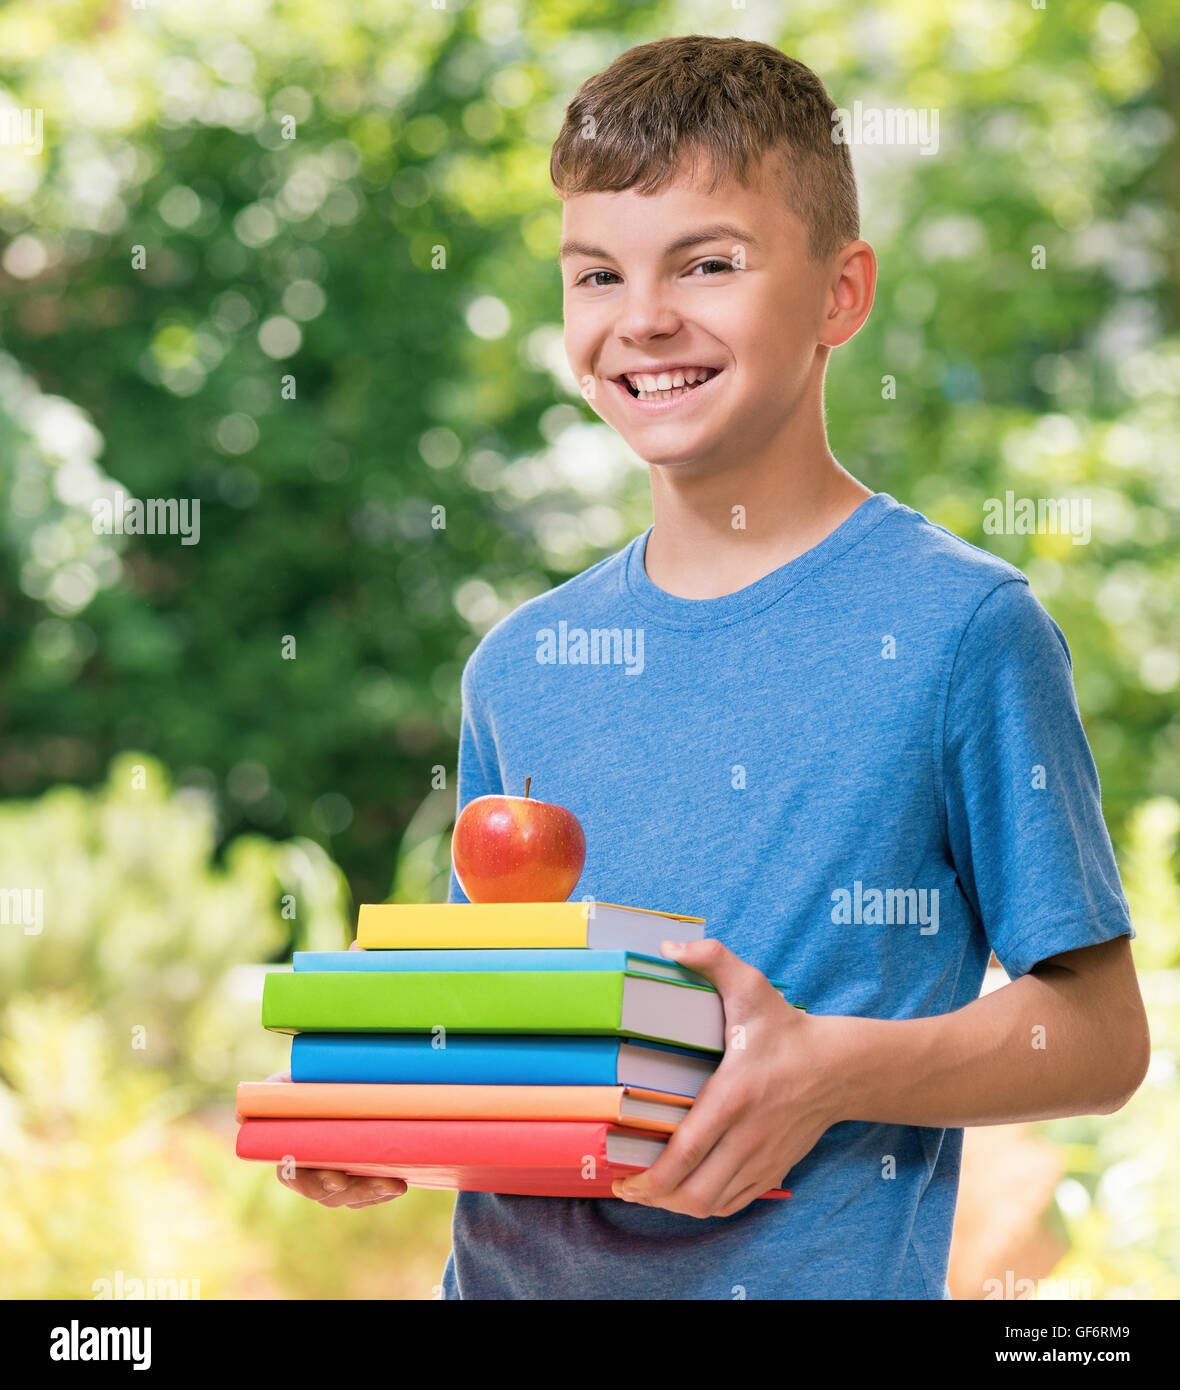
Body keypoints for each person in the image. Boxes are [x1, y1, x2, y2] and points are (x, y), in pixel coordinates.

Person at [281, 34, 1149, 1300]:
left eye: (710, 263)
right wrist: (387, 1115)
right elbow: (501, 1034)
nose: (641, 320)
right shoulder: (521, 668)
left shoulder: (964, 630)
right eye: (595, 274)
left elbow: (1098, 1035)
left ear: (840, 295)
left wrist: (830, 1067)